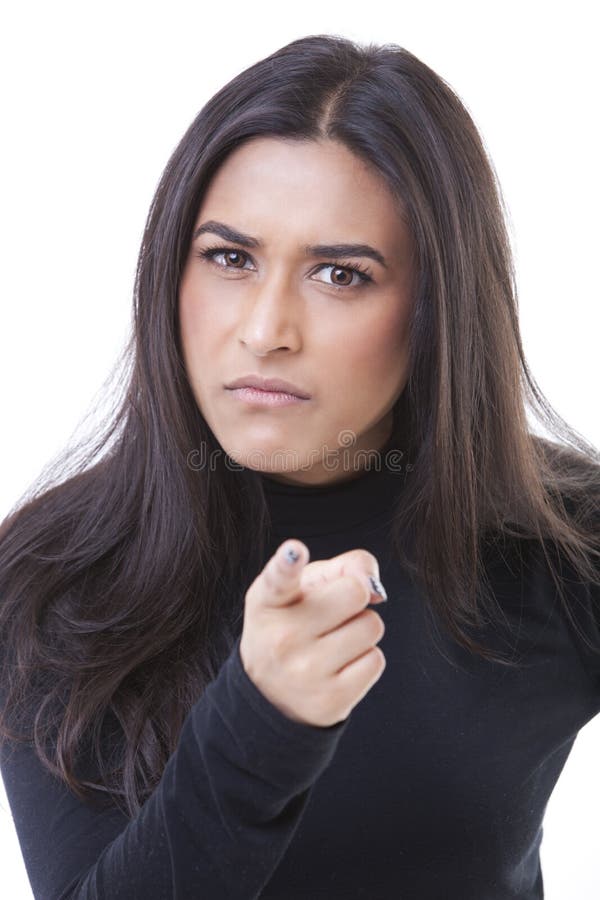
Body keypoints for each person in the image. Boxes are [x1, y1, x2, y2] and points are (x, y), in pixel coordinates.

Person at [1, 32, 599, 900]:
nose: (265, 328)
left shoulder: (563, 543)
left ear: (437, 305)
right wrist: (260, 721)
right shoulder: (55, 577)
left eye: (339, 274)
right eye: (231, 259)